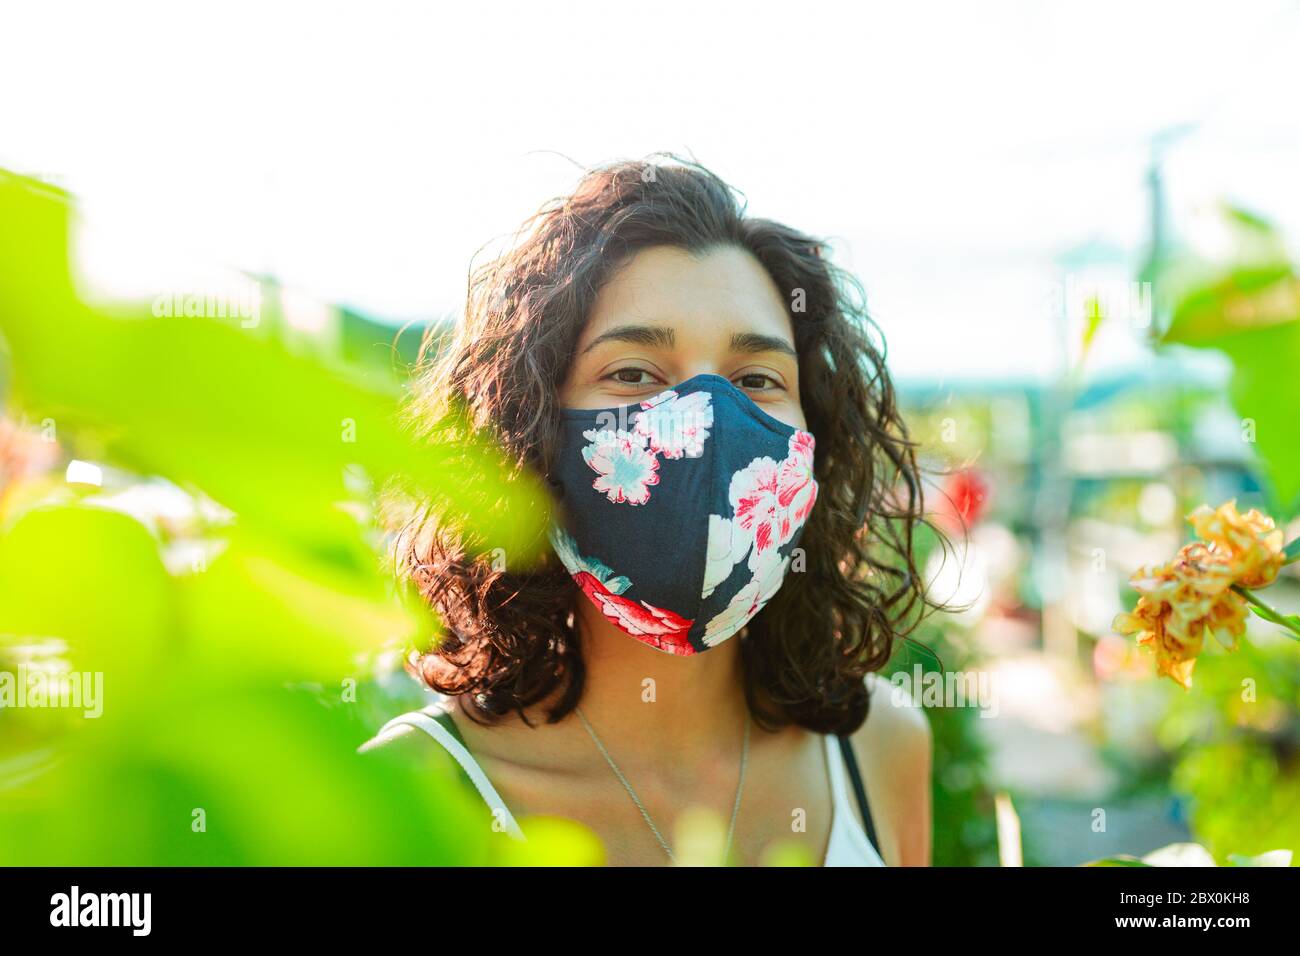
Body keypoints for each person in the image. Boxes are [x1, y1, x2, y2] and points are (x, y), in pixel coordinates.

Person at [361, 155, 936, 867]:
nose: (703, 423)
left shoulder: (880, 745)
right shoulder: (406, 792)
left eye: (756, 379)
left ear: (815, 437)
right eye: (633, 373)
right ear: (526, 427)